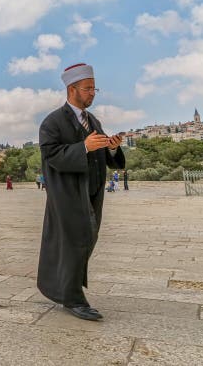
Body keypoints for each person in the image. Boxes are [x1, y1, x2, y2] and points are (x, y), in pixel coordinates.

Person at [37, 63, 125, 322]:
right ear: (72, 89)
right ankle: (73, 298)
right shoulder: (52, 122)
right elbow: (51, 155)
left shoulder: (93, 120)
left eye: (94, 88)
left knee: (86, 240)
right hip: (68, 196)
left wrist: (111, 147)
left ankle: (62, 288)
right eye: (88, 89)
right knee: (74, 244)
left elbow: (102, 153)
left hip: (91, 194)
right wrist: (84, 147)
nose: (92, 93)